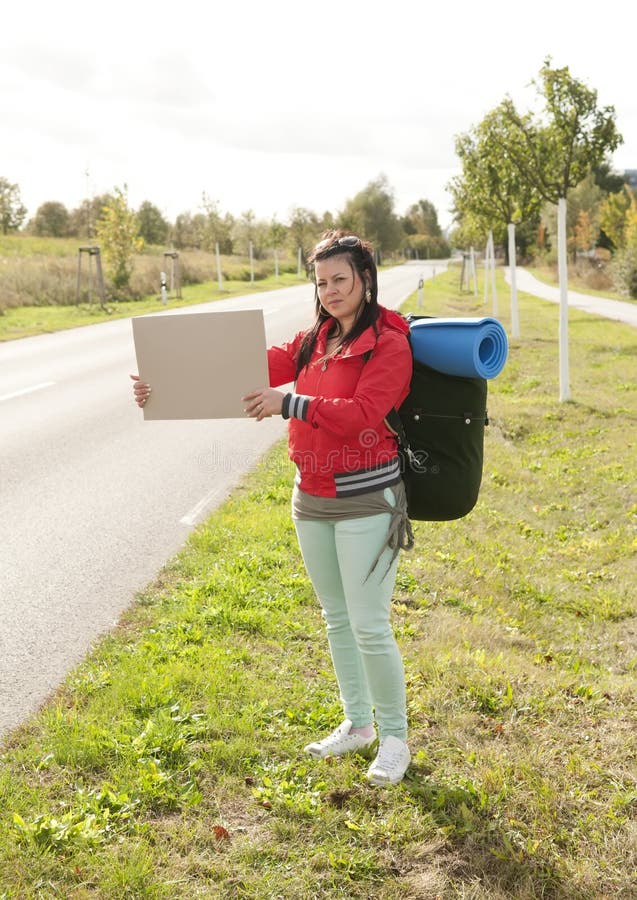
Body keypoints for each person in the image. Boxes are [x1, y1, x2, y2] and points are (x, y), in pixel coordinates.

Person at [132, 230, 414, 786]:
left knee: (369, 624)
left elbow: (362, 412)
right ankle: (358, 724)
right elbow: (242, 367)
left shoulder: (389, 344)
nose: (330, 290)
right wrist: (161, 385)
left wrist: (290, 401)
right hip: (310, 496)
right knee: (337, 618)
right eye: (322, 281)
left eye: (340, 279)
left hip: (368, 498)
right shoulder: (315, 339)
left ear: (365, 279)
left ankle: (396, 738)